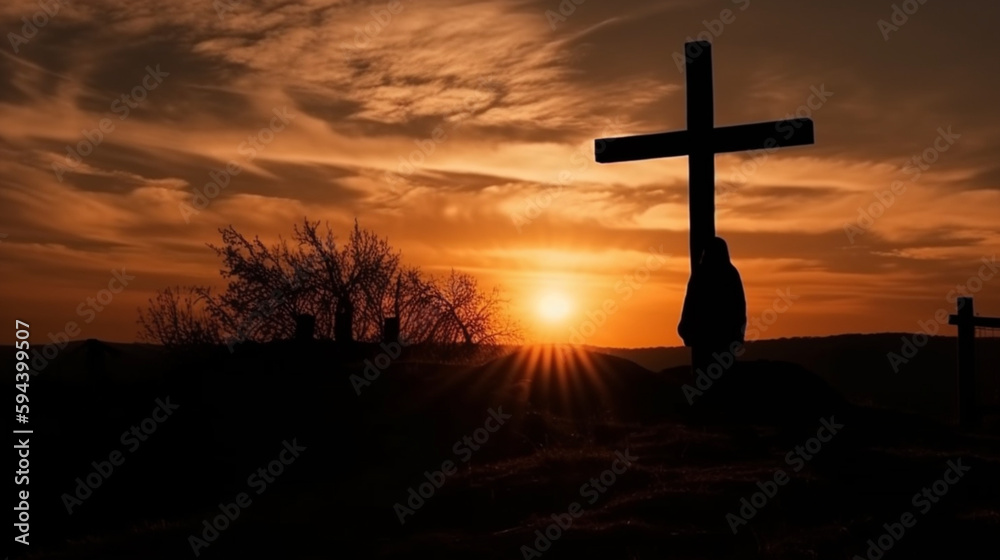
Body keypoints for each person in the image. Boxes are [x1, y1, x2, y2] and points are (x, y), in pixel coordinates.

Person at [678, 236, 747, 372]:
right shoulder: (726, 274)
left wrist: (685, 329)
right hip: (712, 340)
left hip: (713, 340)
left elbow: (738, 308)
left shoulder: (704, 275)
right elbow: (739, 308)